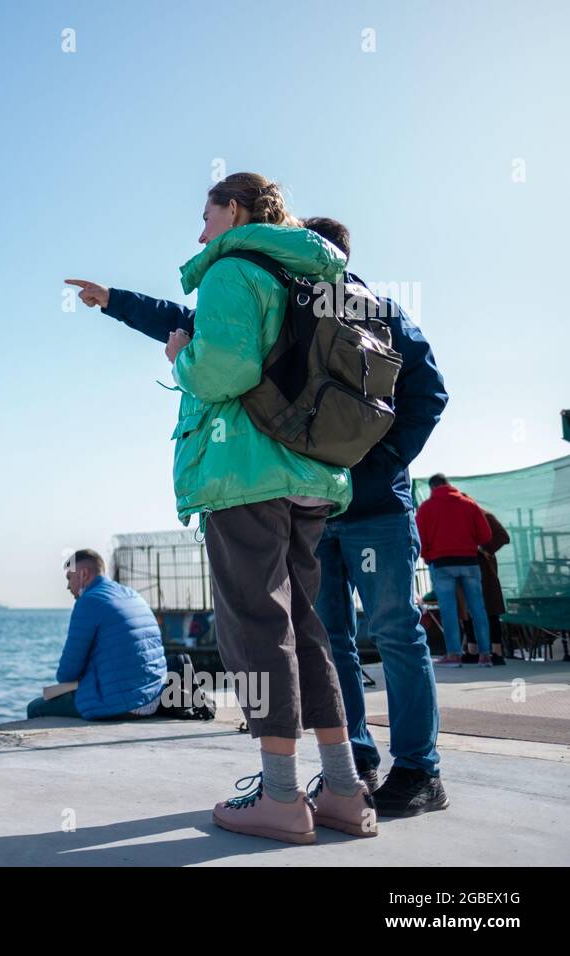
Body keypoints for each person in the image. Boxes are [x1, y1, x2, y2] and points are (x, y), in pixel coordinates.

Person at [73, 216, 451, 816]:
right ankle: (351, 765)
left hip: (370, 503)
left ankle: (418, 771)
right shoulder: (284, 304)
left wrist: (362, 470)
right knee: (328, 639)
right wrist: (115, 301)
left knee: (396, 632)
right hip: (316, 503)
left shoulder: (376, 312)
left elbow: (428, 394)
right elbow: (197, 325)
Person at [26, 549, 167, 720]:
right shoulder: (133, 595)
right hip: (153, 699)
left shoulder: (89, 601)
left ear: (83, 574)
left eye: (69, 578)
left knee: (35, 708)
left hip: (124, 704)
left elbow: (66, 674)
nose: (68, 586)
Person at [416, 476, 494, 667]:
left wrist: (428, 556)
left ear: (432, 487)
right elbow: (486, 535)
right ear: (448, 484)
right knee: (478, 609)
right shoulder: (469, 504)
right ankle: (485, 654)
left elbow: (419, 538)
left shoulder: (426, 508)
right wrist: (469, 543)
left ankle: (453, 654)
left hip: (442, 564)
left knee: (449, 610)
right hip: (469, 561)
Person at [459, 509, 509, 664]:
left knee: (490, 611)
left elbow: (503, 536)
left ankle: (497, 652)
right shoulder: (457, 517)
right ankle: (473, 651)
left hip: (484, 570)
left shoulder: (484, 516)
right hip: (464, 567)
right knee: (466, 611)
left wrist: (484, 549)